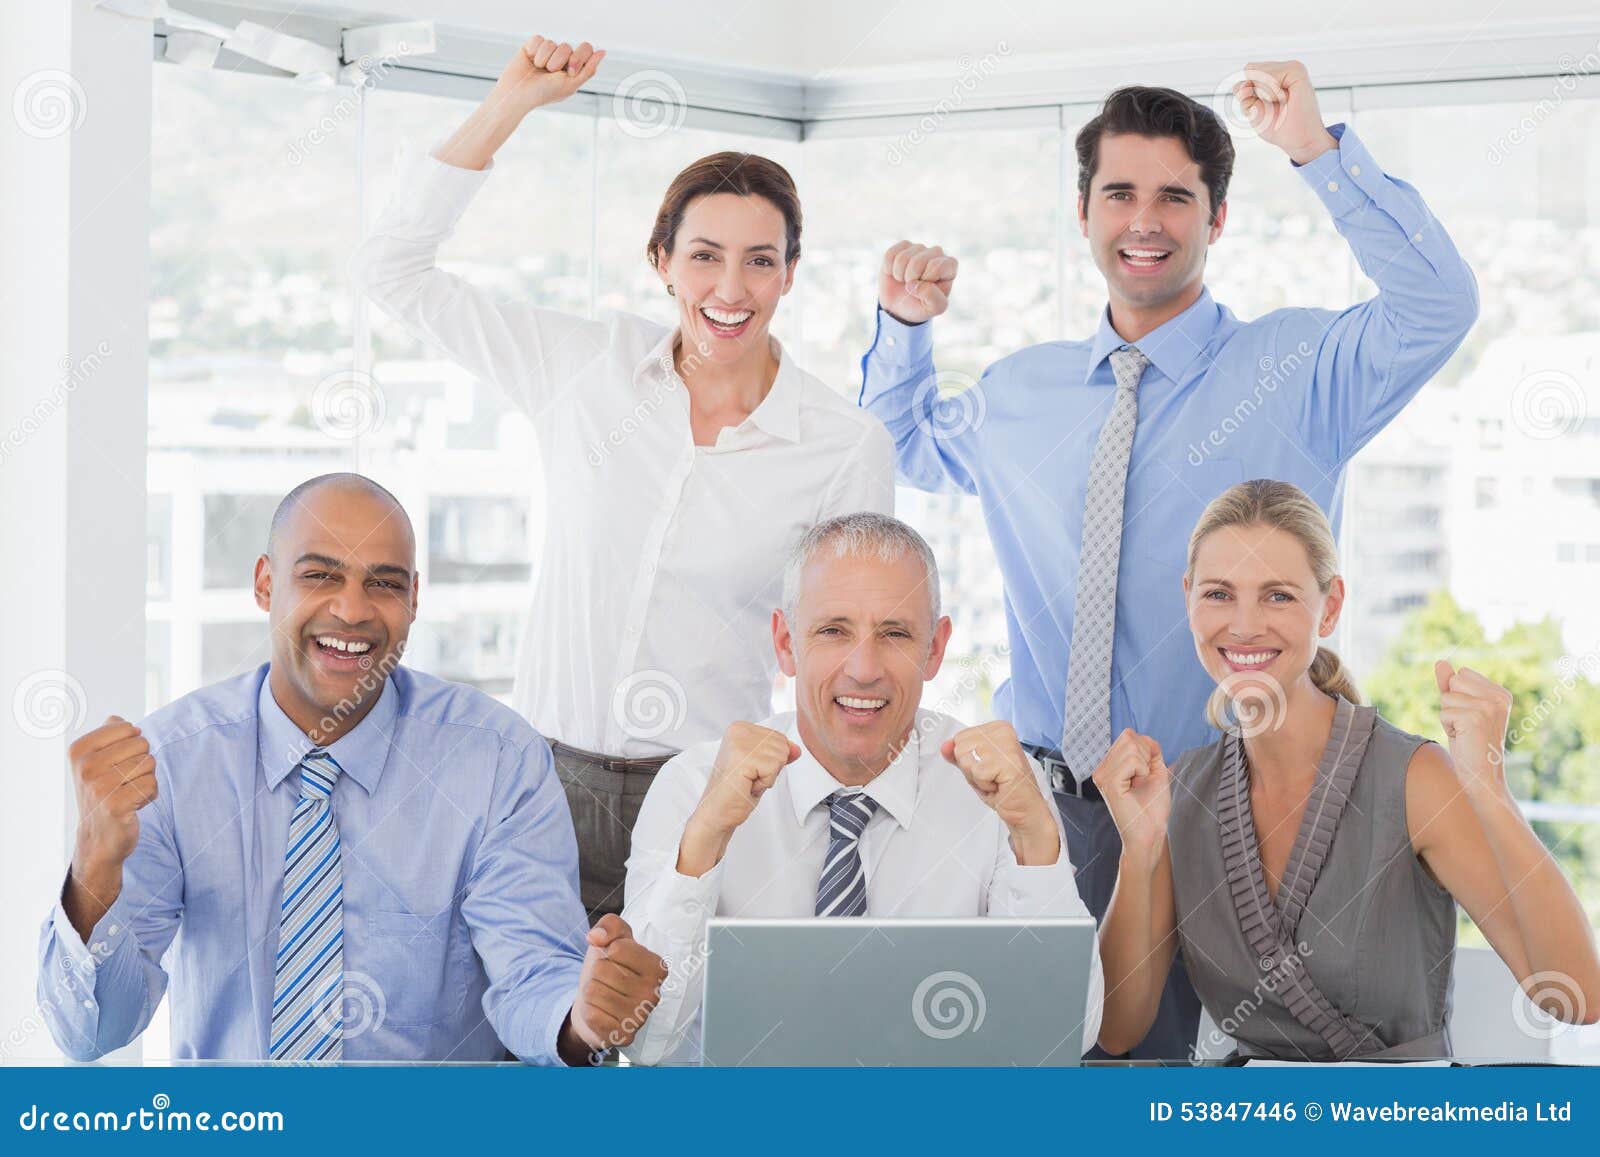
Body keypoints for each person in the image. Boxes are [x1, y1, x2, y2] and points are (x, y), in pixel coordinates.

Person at [858, 64, 1479, 1057]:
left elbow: (1436, 306)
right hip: (1048, 814)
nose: (1143, 221)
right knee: (1050, 1073)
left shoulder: (1297, 370)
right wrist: (902, 329)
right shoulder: (1021, 393)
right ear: (1083, 212)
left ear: (1216, 217)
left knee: (1228, 1081)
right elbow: (899, 445)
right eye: (1119, 193)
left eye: (1174, 197)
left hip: (1235, 809)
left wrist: (1315, 151)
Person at [351, 35, 895, 922]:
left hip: (707, 796)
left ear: (790, 274)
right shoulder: (583, 366)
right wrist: (509, 103)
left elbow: (850, 655)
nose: (731, 288)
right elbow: (392, 270)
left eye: (761, 260)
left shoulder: (843, 444)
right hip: (537, 782)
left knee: (682, 1010)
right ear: (661, 261)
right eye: (705, 255)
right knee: (529, 1007)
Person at [37, 473, 666, 1064]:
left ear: (414, 600)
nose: (351, 609)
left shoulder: (499, 761)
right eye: (320, 575)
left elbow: (533, 978)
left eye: (384, 583)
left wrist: (582, 1018)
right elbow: (91, 1031)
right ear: (265, 584)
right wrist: (94, 867)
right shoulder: (170, 762)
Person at [1093, 479, 1600, 1061]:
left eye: (1278, 595)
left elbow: (1579, 998)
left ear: (1329, 607)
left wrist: (1488, 788)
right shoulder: (1183, 792)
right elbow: (1117, 1030)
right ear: (1189, 598)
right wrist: (1139, 848)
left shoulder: (1415, 780)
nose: (1244, 625)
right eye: (1219, 594)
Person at [619, 512, 1101, 1065]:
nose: (865, 668)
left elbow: (1063, 1037)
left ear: (935, 649)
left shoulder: (1002, 789)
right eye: (833, 631)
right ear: (785, 643)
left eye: (895, 634)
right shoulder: (691, 786)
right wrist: (704, 841)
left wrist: (1035, 840)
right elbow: (646, 1041)